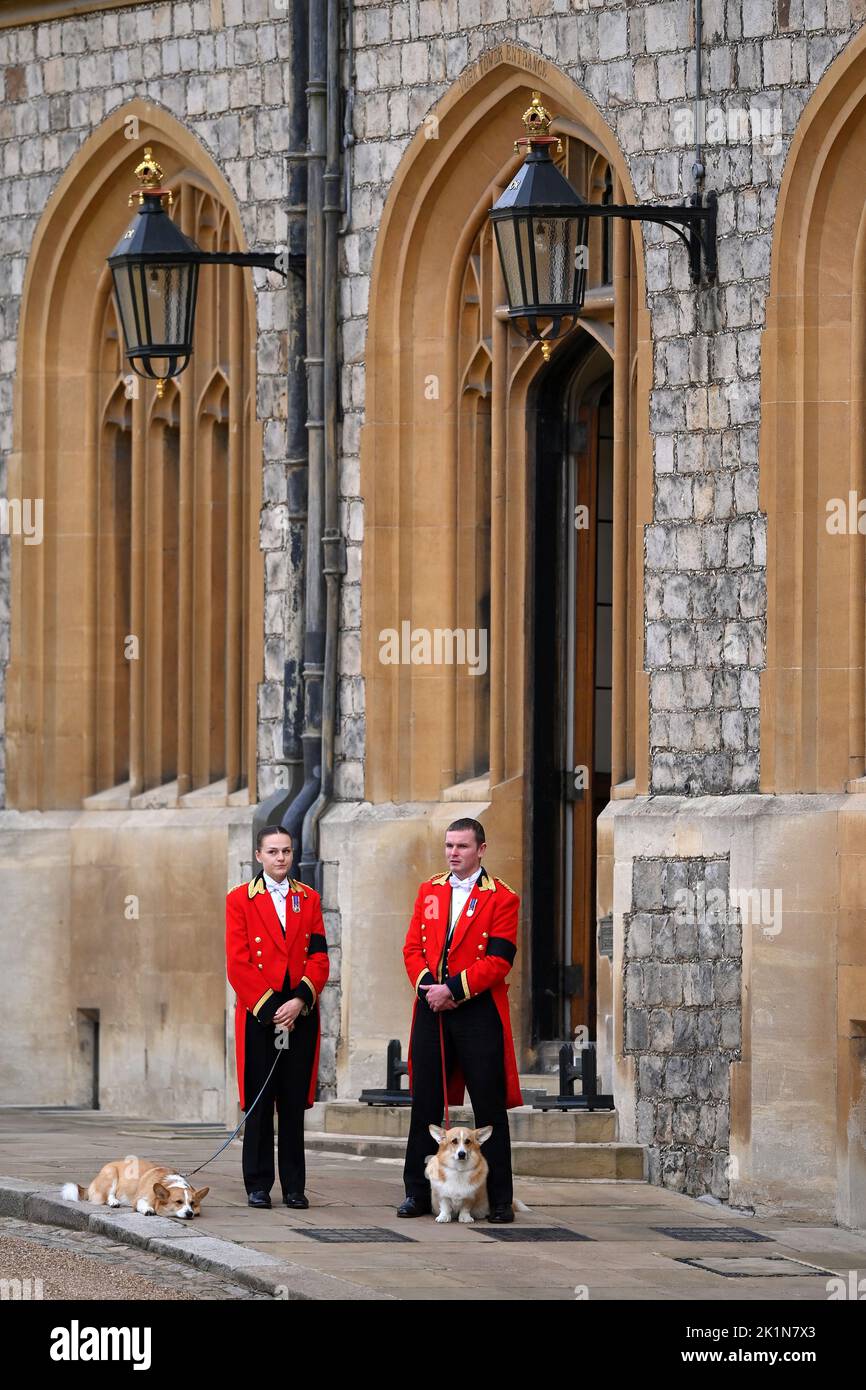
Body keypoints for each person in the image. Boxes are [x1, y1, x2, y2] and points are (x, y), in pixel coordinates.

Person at [398, 817, 523, 1222]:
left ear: (481, 849)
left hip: (476, 1010)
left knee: (489, 1107)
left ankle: (500, 1199)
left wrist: (452, 989)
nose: (453, 853)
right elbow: (412, 948)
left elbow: (499, 960)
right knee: (426, 1105)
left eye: (463, 846)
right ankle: (417, 1194)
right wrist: (430, 989)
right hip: (431, 1007)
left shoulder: (502, 897)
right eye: (449, 845)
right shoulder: (429, 889)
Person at [225, 825, 329, 1210]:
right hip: (259, 1013)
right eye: (273, 851)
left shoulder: (310, 899)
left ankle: (295, 1187)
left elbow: (319, 956)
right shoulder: (240, 900)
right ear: (259, 856)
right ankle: (257, 1184)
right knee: (259, 1102)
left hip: (299, 1012)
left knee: (291, 1102)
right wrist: (272, 1010)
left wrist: (300, 1000)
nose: (281, 858)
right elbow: (238, 964)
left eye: (286, 851)